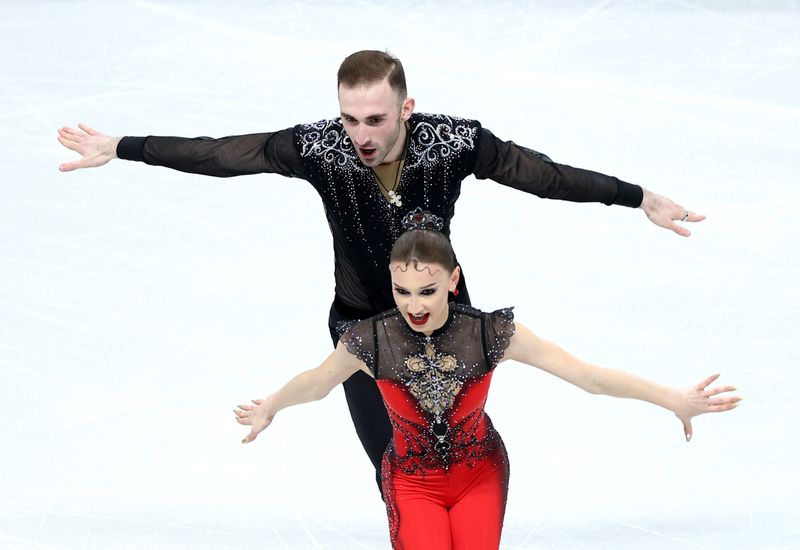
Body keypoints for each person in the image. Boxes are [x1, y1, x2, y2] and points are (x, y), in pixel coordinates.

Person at [57, 50, 706, 489]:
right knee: (395, 470)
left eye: (374, 118)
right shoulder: (321, 147)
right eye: (349, 118)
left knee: (462, 453)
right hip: (364, 329)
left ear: (406, 108)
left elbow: (544, 176)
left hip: (446, 319)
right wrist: (120, 147)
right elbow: (223, 154)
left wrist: (637, 197)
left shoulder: (452, 143)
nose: (361, 134)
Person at [234, 209, 738, 550]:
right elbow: (317, 382)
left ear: (453, 281)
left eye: (427, 290)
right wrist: (271, 406)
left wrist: (673, 398)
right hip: (412, 482)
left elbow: (587, 376)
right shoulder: (372, 340)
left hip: (480, 474)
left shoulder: (489, 334)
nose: (413, 305)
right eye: (401, 290)